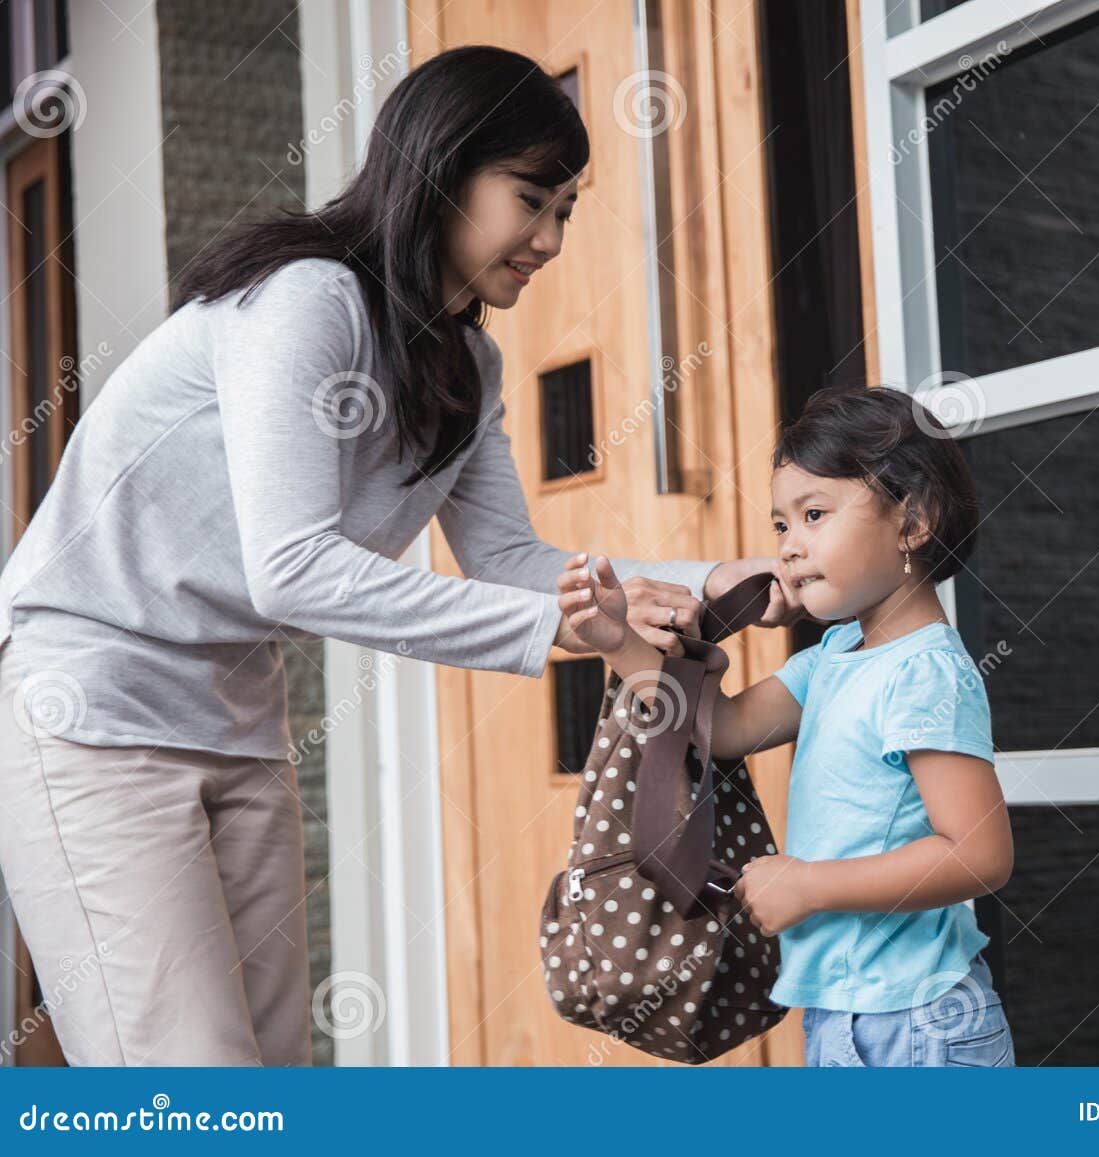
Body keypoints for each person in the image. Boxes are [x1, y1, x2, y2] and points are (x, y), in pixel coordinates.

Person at [0, 44, 795, 1066]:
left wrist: (703, 581)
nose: (550, 238)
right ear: (442, 169)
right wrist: (557, 625)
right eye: (531, 200)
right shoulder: (306, 300)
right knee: (181, 1073)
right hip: (89, 704)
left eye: (565, 210)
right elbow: (288, 566)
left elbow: (509, 557)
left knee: (274, 1066)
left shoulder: (466, 359)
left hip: (234, 716)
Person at [558, 385, 1015, 1067]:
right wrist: (618, 643)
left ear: (914, 521)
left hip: (920, 1022)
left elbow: (979, 855)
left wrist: (811, 885)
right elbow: (725, 725)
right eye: (781, 525)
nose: (792, 547)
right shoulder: (833, 655)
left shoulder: (924, 674)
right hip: (844, 1016)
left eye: (815, 514)